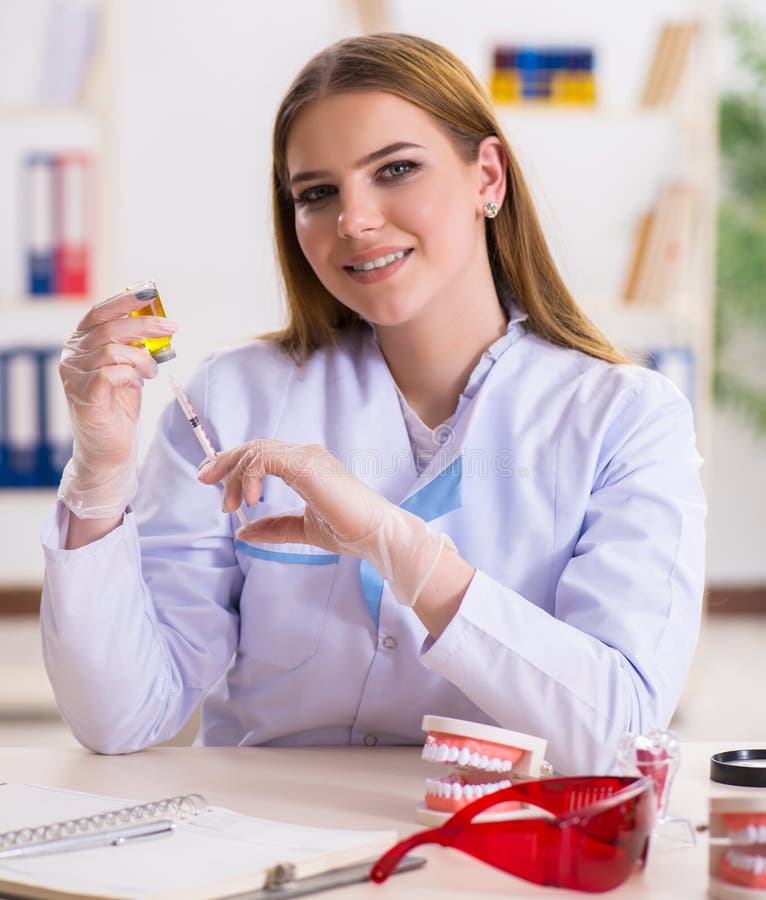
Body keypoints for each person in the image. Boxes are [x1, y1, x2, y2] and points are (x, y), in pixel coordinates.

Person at [41, 33, 706, 774]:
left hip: (491, 828)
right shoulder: (231, 398)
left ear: (487, 176)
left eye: (395, 169)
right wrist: (100, 477)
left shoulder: (626, 417)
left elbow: (620, 738)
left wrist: (399, 548)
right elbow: (123, 715)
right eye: (316, 193)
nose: (352, 220)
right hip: (261, 830)